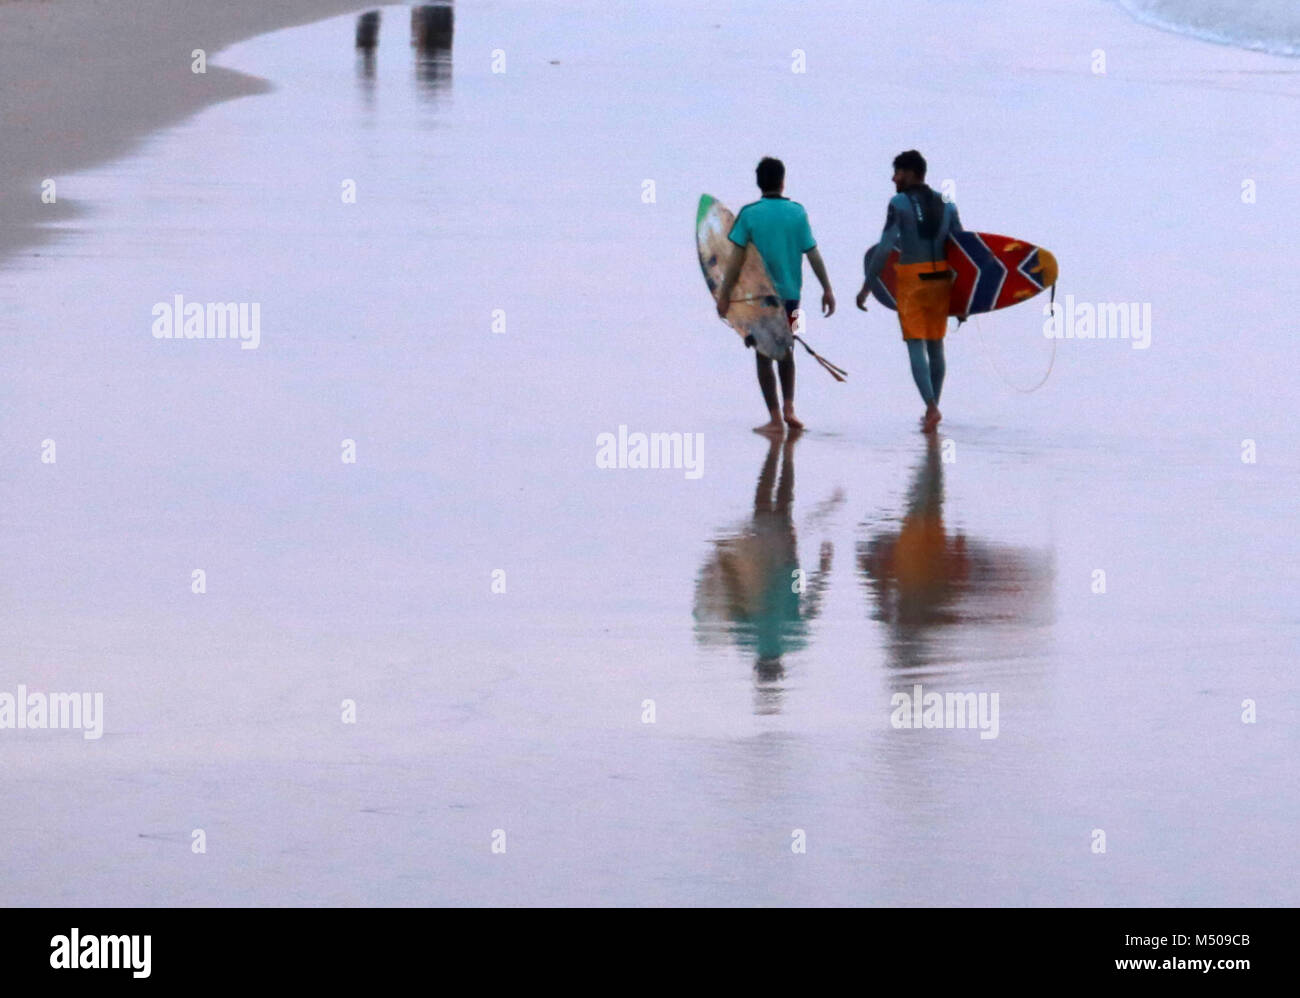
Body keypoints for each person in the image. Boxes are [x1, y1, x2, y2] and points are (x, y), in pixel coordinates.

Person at [715, 157, 835, 436]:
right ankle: (790, 407)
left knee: (763, 355)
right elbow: (813, 254)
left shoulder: (749, 215)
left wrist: (724, 295)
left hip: (760, 298)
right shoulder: (797, 213)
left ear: (759, 183)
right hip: (792, 298)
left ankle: (775, 418)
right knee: (787, 348)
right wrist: (827, 289)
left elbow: (735, 261)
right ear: (783, 182)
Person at [857, 150, 962, 433]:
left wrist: (868, 285)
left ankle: (931, 407)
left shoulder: (899, 203)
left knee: (916, 344)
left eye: (898, 173)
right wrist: (964, 299)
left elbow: (884, 248)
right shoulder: (948, 204)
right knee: (936, 346)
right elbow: (962, 251)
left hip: (913, 281)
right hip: (941, 281)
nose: (894, 178)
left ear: (912, 173)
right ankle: (932, 410)